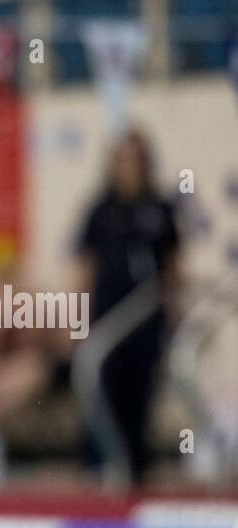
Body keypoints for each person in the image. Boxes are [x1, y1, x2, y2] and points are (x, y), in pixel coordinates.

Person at [72, 127, 181, 482]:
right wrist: (79, 319)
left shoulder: (159, 208)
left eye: (135, 159)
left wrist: (174, 313)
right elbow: (85, 268)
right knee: (104, 386)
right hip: (108, 317)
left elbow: (172, 267)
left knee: (141, 393)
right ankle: (100, 463)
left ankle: (136, 467)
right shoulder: (101, 210)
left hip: (146, 319)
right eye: (122, 160)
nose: (129, 167)